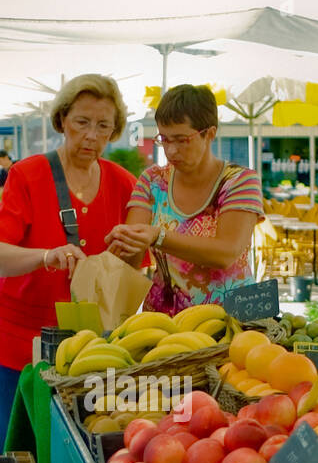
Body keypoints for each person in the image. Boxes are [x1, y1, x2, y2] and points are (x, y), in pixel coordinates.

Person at [0, 74, 138, 453]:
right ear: (62, 120)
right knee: (19, 452)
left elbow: (136, 268)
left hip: (93, 347)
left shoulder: (124, 184)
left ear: (115, 130)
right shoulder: (28, 175)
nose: (91, 135)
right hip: (22, 344)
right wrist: (45, 256)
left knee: (82, 453)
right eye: (82, 122)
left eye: (103, 126)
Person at [107, 84, 264, 314]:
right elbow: (132, 256)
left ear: (209, 134)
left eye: (181, 140)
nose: (171, 150)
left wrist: (159, 236)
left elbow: (226, 253)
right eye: (165, 139)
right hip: (164, 320)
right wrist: (124, 242)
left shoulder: (240, 181)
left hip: (233, 319)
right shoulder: (152, 180)